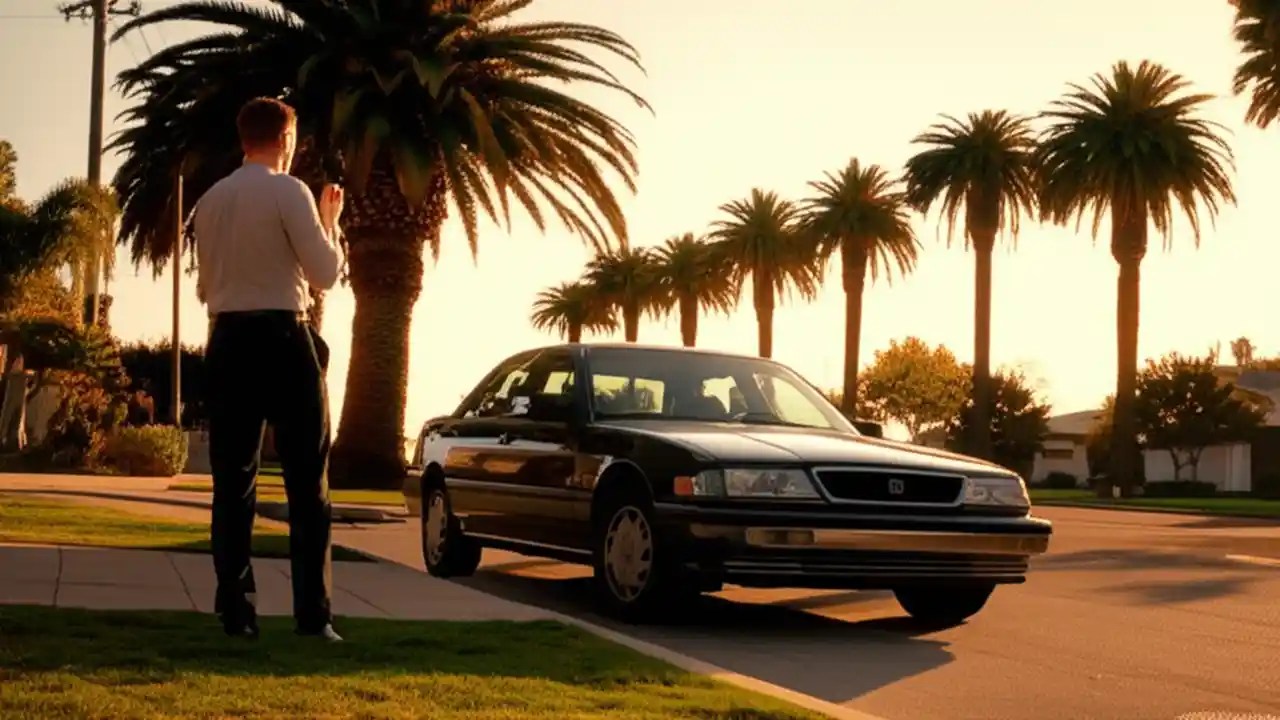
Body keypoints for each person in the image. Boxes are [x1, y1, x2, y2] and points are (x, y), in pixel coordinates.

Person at [192, 97, 345, 642]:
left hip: (227, 340)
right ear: (286, 139)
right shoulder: (289, 191)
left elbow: (206, 287)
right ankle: (314, 616)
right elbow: (324, 273)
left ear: (243, 138)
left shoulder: (209, 202)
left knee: (232, 484)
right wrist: (330, 223)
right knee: (308, 483)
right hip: (283, 337)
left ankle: (236, 610)